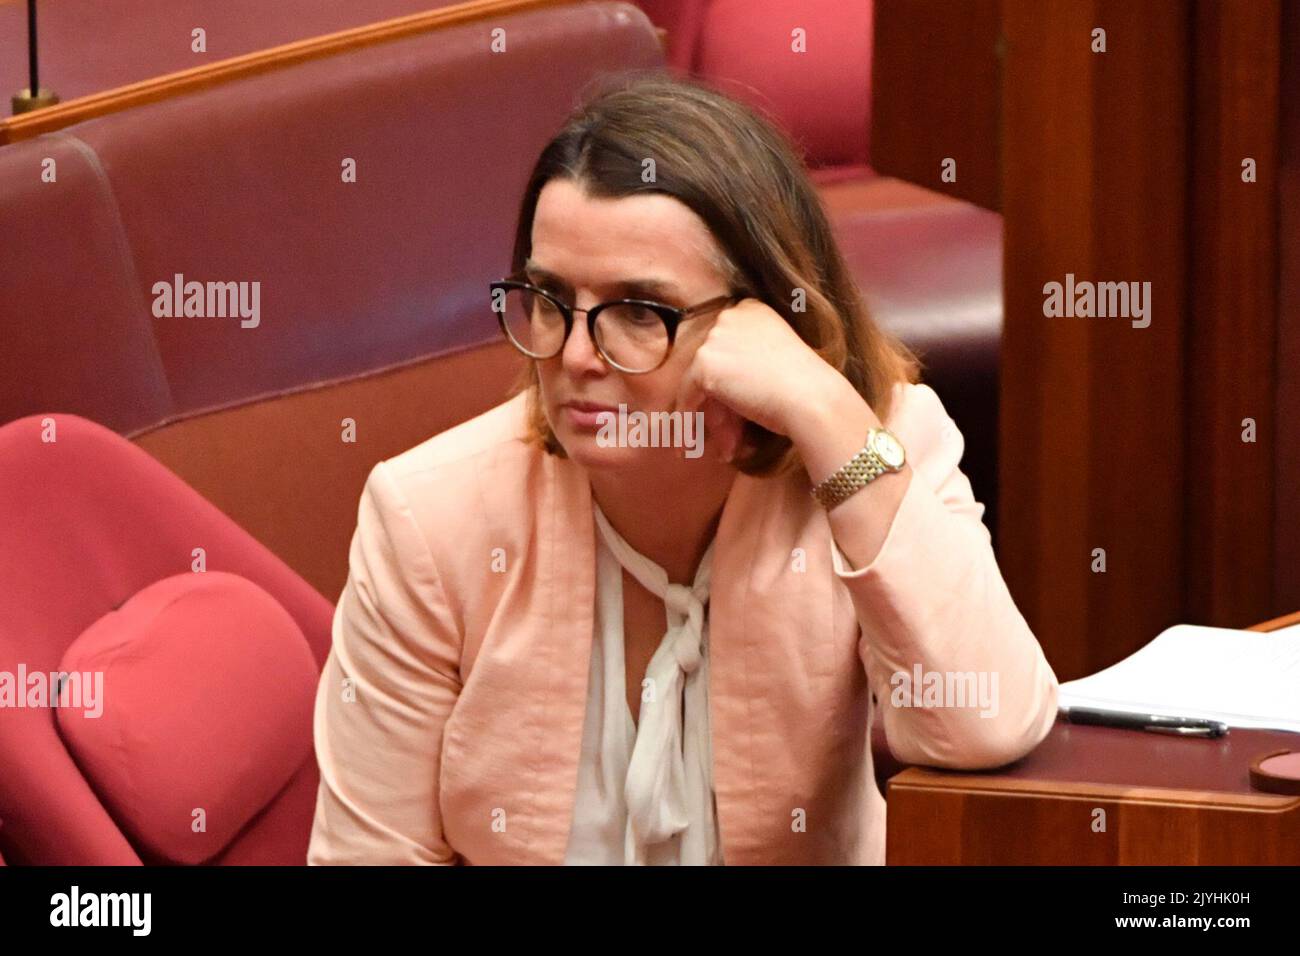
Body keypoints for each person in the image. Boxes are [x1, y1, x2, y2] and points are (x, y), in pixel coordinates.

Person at [307, 72, 1059, 866]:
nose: (573, 356)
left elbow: (990, 723)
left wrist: (827, 414)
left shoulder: (873, 449)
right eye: (551, 297)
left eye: (639, 311)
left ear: (762, 318)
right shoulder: (429, 514)